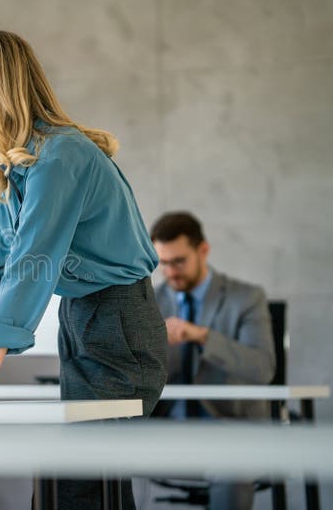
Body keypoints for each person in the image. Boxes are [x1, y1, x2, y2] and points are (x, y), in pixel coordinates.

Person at [0, 30, 167, 509]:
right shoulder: (27, 163)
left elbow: (30, 266)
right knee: (90, 485)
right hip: (88, 318)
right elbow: (11, 247)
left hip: (115, 322)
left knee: (77, 487)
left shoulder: (60, 157)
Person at [149, 211, 275, 509]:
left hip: (231, 426)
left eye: (178, 261)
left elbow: (262, 368)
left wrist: (204, 336)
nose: (170, 272)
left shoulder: (246, 298)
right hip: (167, 427)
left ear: (203, 250)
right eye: (163, 263)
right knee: (96, 451)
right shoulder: (150, 302)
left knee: (231, 463)